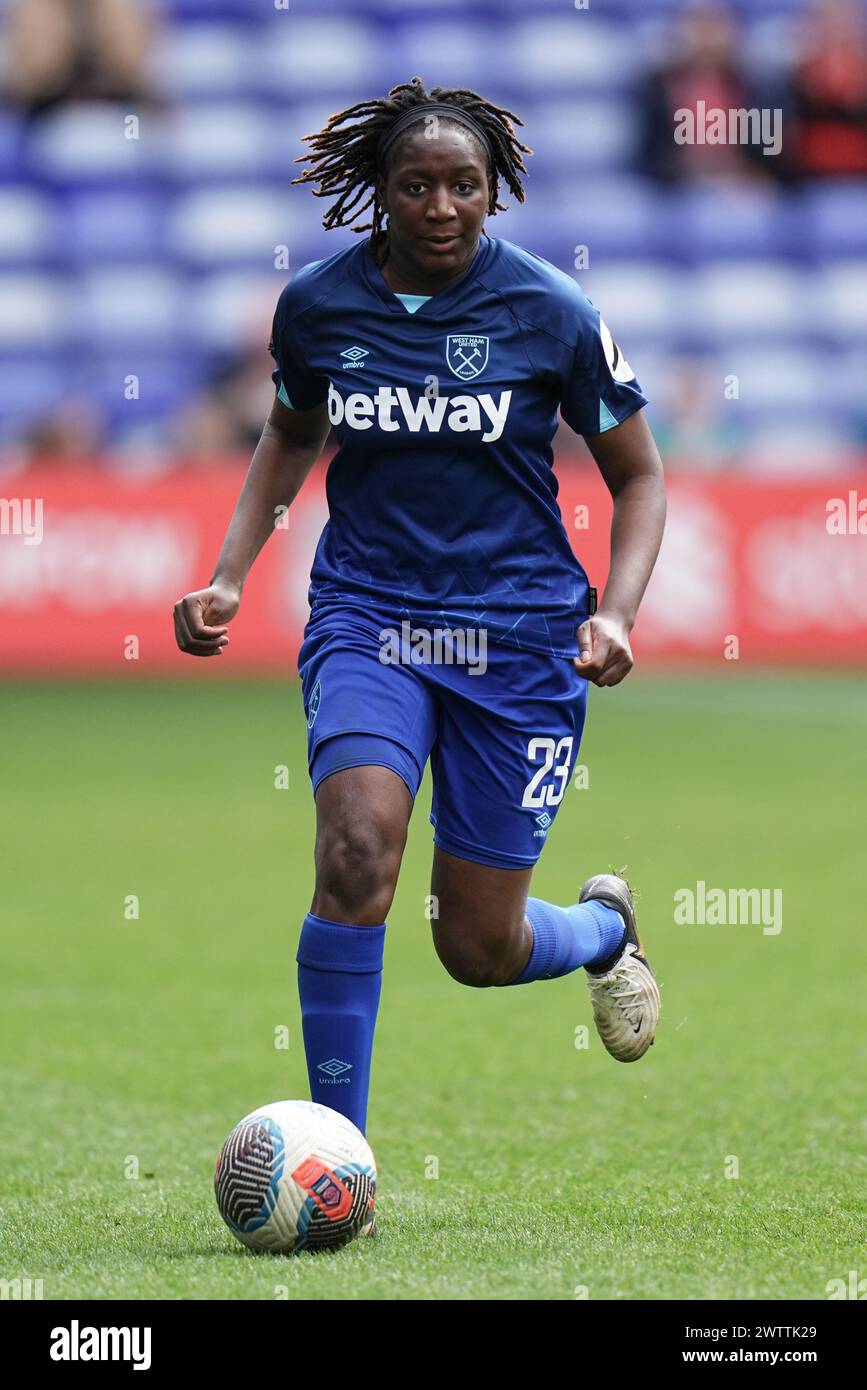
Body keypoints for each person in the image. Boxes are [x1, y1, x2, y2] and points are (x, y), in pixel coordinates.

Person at [173, 77, 667, 1153]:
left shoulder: (552, 312)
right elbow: (291, 434)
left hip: (519, 637)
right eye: (418, 186)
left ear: (495, 194)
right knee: (355, 851)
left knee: (476, 946)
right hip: (372, 615)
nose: (442, 206)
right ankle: (337, 1155)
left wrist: (618, 613)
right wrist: (230, 572)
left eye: (464, 186)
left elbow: (638, 477)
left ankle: (601, 929)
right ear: (380, 194)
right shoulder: (318, 306)